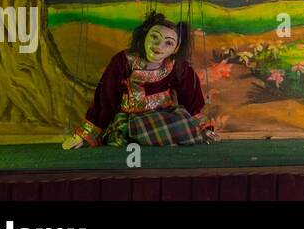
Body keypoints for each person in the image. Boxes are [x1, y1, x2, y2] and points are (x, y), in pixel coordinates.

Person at [62, 12, 216, 148]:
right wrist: (85, 134)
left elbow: (191, 99)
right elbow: (105, 100)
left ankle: (163, 140)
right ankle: (162, 142)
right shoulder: (123, 61)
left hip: (165, 118)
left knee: (182, 122)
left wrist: (203, 129)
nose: (159, 46)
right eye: (154, 37)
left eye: (168, 43)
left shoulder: (177, 66)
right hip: (132, 121)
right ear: (145, 36)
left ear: (175, 48)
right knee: (130, 130)